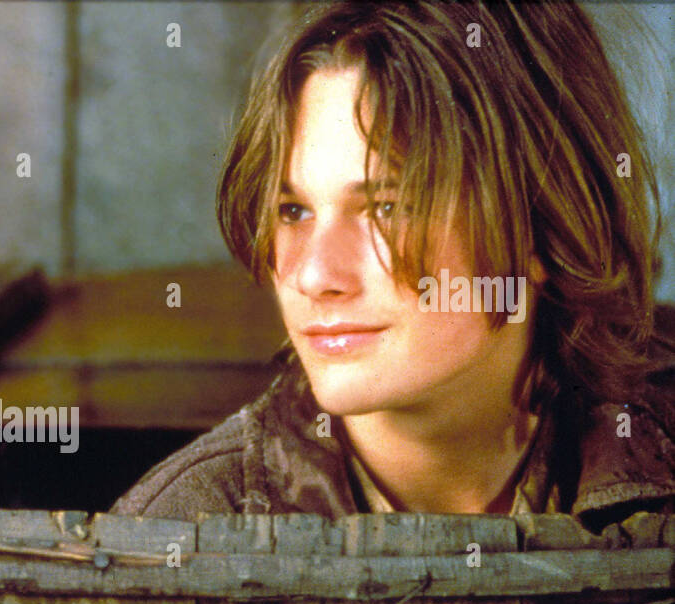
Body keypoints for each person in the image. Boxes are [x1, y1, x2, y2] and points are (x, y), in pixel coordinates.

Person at [114, 0, 675, 530]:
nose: (314, 276)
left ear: (542, 224)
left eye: (389, 206)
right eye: (294, 210)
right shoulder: (183, 532)